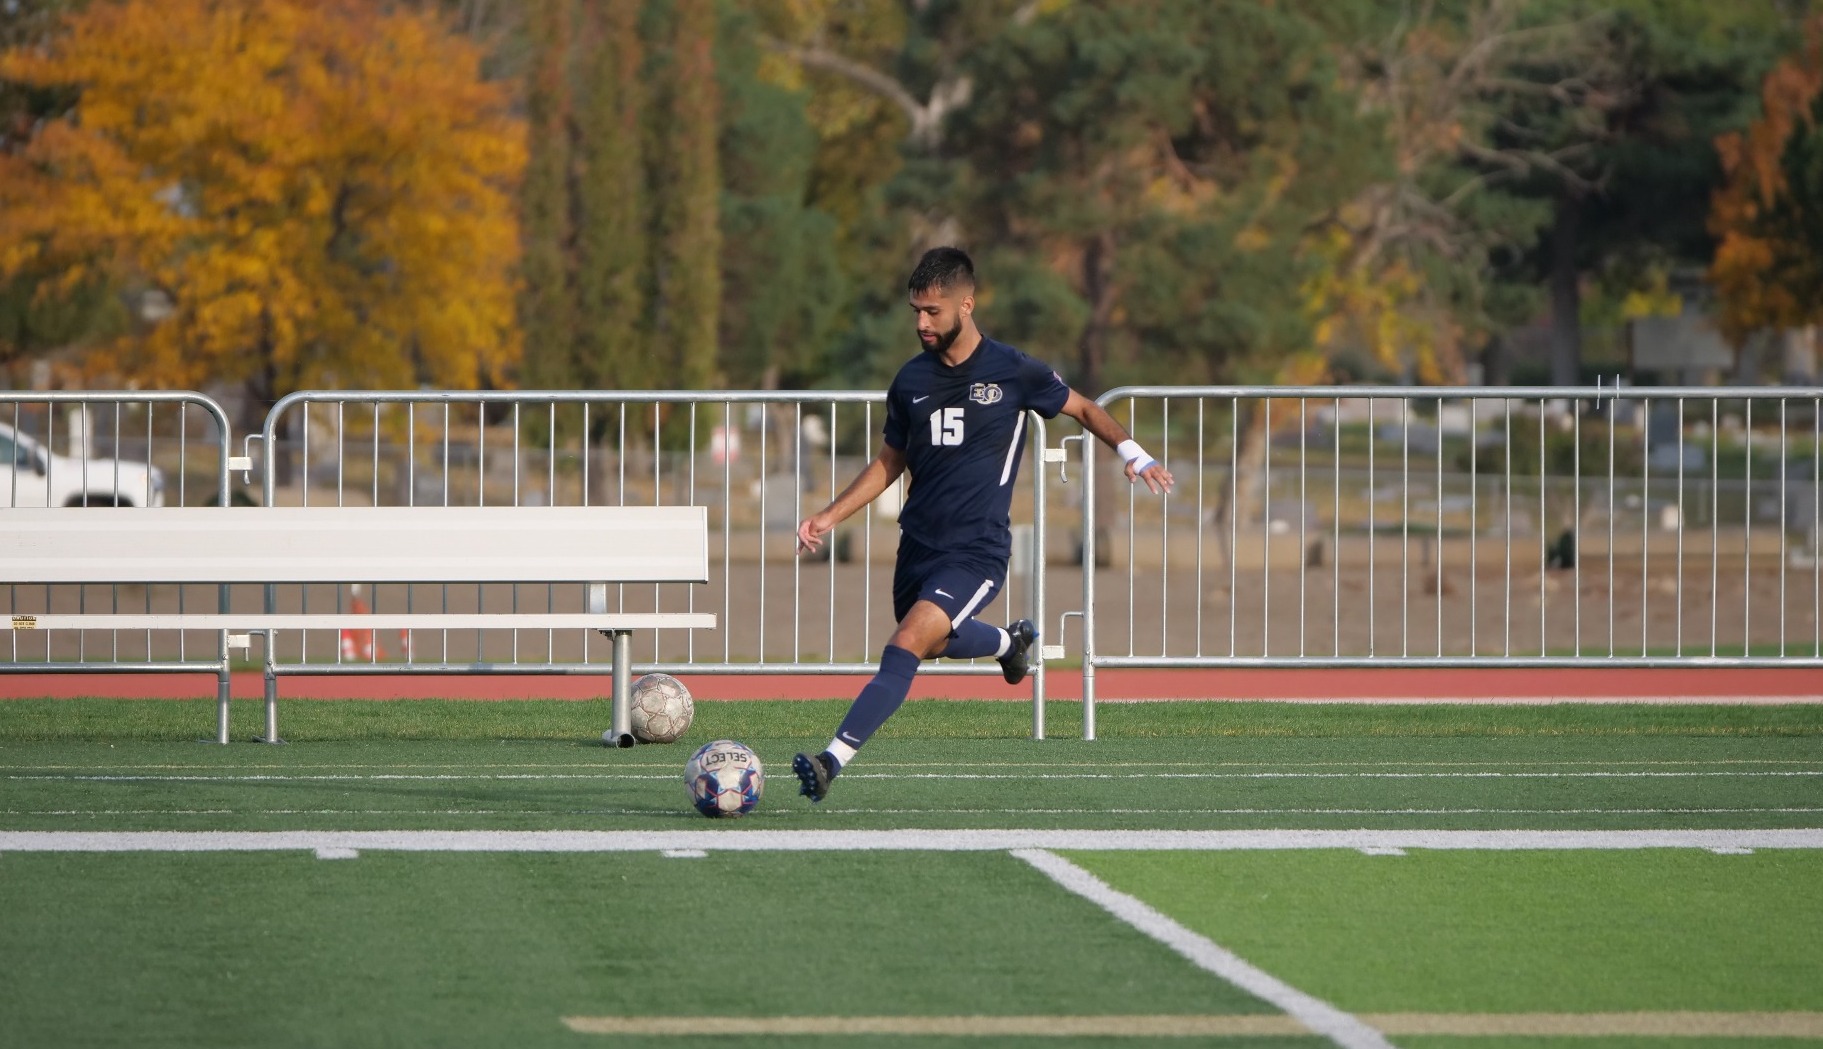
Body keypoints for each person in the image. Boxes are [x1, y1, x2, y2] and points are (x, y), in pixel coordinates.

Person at [791, 246, 1174, 802]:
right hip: (918, 544)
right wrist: (829, 514)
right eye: (915, 311)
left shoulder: (1014, 370)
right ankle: (1008, 642)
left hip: (976, 550)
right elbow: (889, 463)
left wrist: (1135, 454)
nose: (921, 322)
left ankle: (831, 760)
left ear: (966, 305)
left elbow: (1087, 408)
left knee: (906, 641)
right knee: (930, 642)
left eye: (933, 312)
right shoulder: (910, 380)